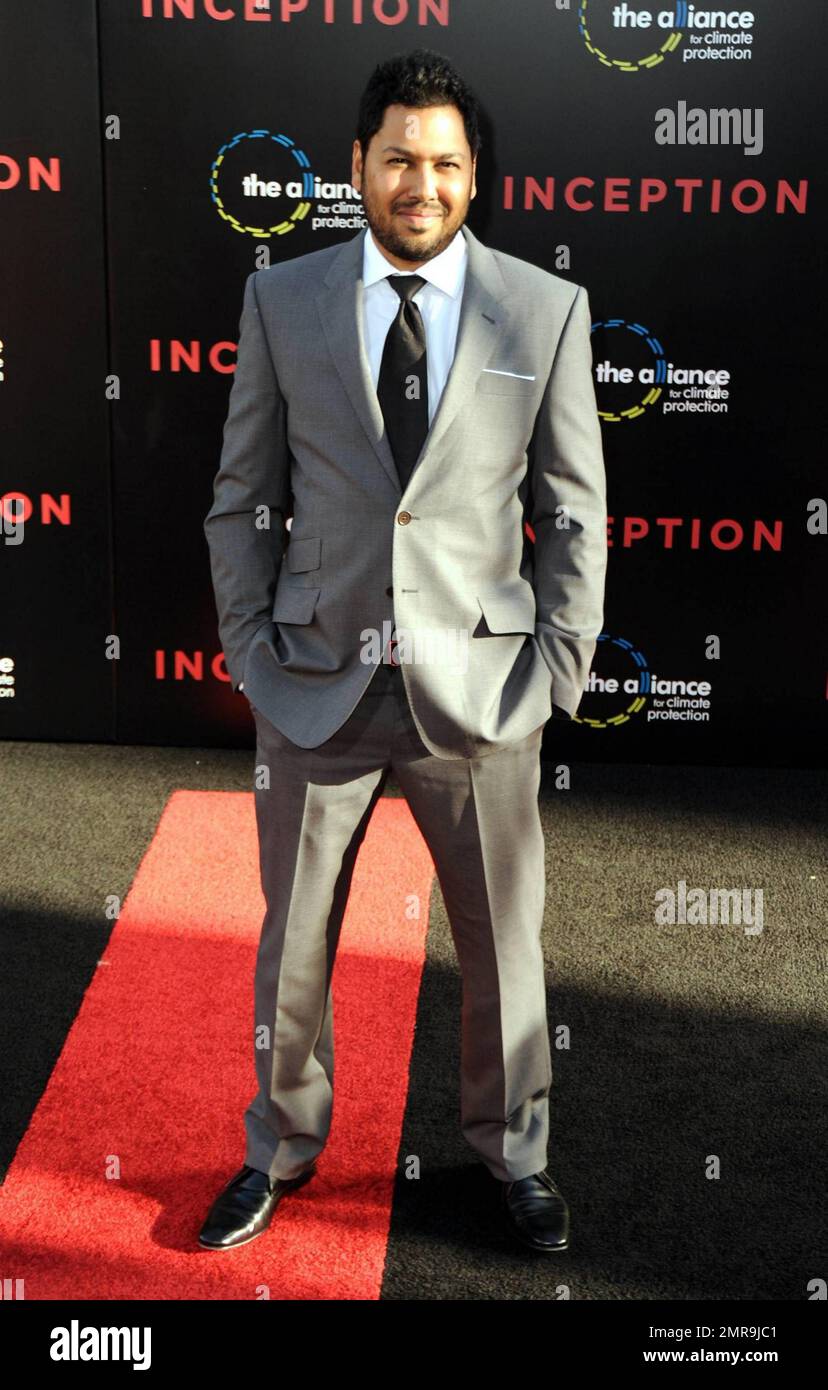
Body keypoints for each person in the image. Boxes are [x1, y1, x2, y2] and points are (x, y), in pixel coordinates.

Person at [200, 48, 607, 1255]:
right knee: (292, 944)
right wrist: (250, 650)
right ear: (359, 168)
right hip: (317, 680)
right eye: (397, 160)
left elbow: (573, 508)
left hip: (479, 690)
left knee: (504, 947)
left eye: (443, 162)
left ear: (473, 176)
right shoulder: (285, 300)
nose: (419, 183)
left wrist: (555, 668)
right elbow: (240, 493)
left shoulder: (545, 308)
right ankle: (278, 1144)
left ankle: (514, 1157)